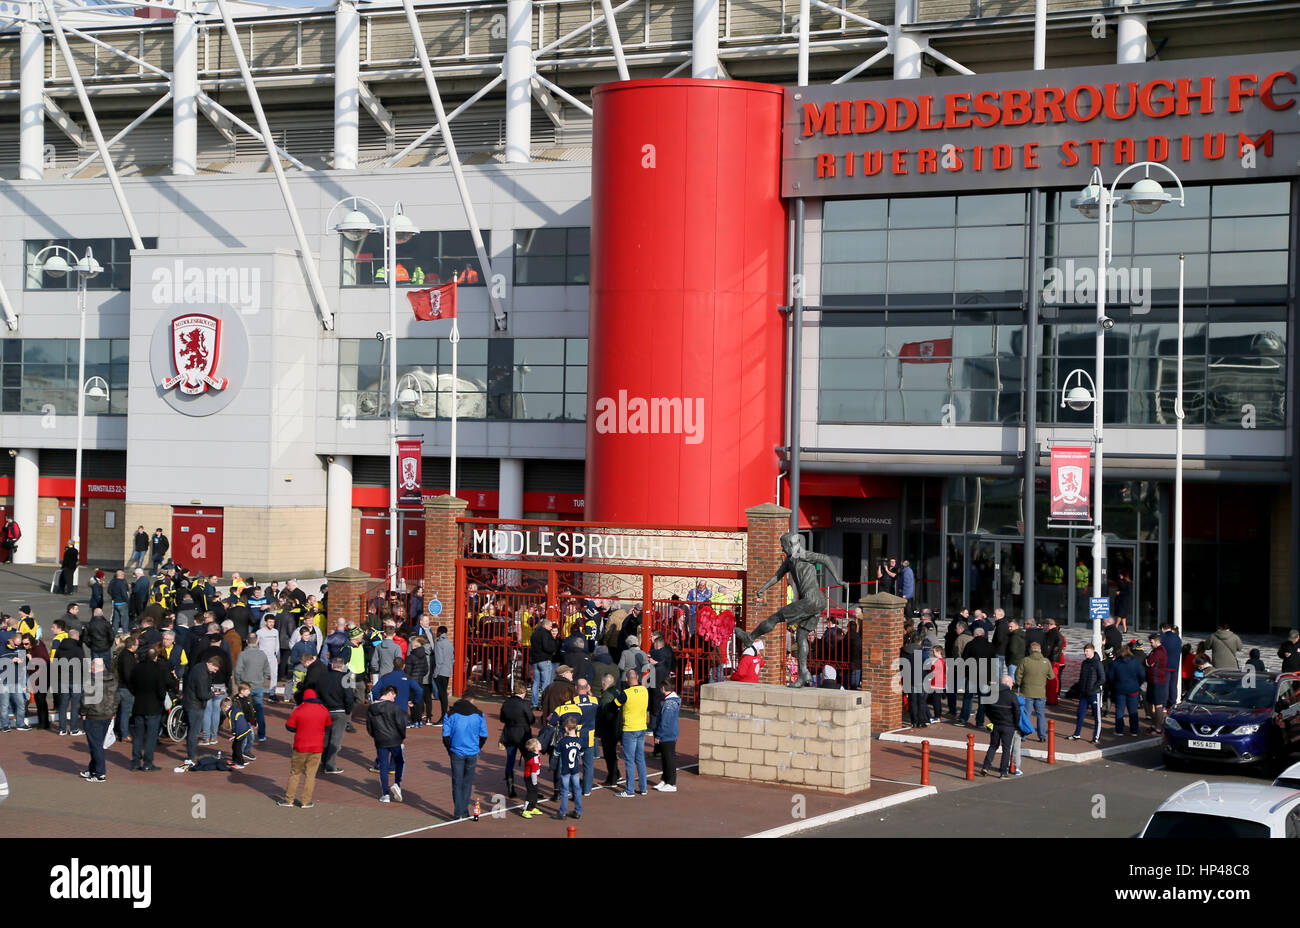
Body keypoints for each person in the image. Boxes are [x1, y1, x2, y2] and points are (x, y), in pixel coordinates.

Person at [275, 687, 331, 808]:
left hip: (300, 746)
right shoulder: (323, 710)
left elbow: (289, 726)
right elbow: (328, 726)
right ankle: (306, 801)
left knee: (295, 773)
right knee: (311, 775)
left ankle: (289, 799)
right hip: (317, 747)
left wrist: (300, 728)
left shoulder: (299, 709)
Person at [442, 697, 488, 820]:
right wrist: (477, 747)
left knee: (457, 782)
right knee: (467, 783)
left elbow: (445, 736)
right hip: (472, 751)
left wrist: (449, 749)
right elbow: (484, 735)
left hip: (456, 751)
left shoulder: (450, 714)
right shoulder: (479, 714)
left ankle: (458, 812)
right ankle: (464, 810)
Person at [129, 644, 170, 771]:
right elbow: (161, 691)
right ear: (155, 657)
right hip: (153, 707)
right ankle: (148, 762)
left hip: (139, 705)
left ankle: (135, 762)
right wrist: (161, 698)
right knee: (151, 737)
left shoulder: (137, 668)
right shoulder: (158, 670)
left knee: (138, 736)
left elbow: (131, 685)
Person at [78, 657, 120, 783]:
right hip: (107, 715)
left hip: (94, 715)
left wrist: (83, 713)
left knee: (95, 745)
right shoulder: (113, 679)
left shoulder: (91, 680)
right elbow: (116, 698)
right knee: (96, 744)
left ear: (92, 667)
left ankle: (100, 773)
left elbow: (86, 700)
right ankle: (92, 769)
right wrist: (113, 711)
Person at [179, 656, 221, 770]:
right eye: (215, 669)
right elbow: (202, 694)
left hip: (190, 702)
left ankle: (191, 755)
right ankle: (191, 756)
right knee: (194, 732)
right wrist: (213, 694)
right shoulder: (203, 674)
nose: (214, 672)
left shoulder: (198, 667)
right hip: (195, 705)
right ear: (211, 663)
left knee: (192, 731)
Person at [366, 684, 407, 803]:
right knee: (399, 762)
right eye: (393, 696)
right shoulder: (394, 707)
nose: (394, 699)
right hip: (395, 739)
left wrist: (375, 736)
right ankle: (397, 784)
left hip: (380, 740)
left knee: (383, 766)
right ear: (389, 693)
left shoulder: (372, 708)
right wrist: (402, 736)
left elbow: (369, 727)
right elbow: (401, 724)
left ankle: (385, 794)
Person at [613, 668, 649, 798]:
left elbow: (614, 705)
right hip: (642, 727)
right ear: (637, 677)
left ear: (627, 679)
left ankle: (630, 790)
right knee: (640, 758)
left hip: (629, 728)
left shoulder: (626, 693)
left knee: (629, 759)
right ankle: (643, 788)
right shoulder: (644, 690)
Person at [979, 674, 1018, 778]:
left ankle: (985, 767)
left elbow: (986, 708)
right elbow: (1017, 711)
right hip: (1008, 725)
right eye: (1011, 682)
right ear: (1007, 683)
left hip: (995, 724)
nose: (1012, 684)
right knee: (1006, 749)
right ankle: (1003, 772)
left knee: (993, 746)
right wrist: (1015, 724)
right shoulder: (1012, 695)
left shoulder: (993, 693)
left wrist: (992, 719)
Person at [1014, 642, 1054, 742]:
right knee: (1041, 714)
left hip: (1026, 692)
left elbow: (1018, 675)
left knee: (1026, 714)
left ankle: (1024, 735)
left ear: (1030, 650)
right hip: (1040, 692)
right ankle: (1042, 736)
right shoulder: (1046, 661)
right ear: (1040, 650)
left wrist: (1018, 685)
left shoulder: (1025, 661)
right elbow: (1051, 676)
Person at [235, 633, 271, 742]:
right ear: (257, 641)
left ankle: (245, 733)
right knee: (259, 711)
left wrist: (239, 684)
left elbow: (237, 671)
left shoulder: (243, 654)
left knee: (244, 711)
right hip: (258, 686)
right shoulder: (262, 654)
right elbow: (267, 671)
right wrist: (262, 681)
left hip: (246, 686)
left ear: (246, 641)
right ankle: (261, 735)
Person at [499, 682, 533, 798]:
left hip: (509, 734)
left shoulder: (506, 703)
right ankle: (531, 788)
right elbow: (531, 719)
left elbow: (502, 718)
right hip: (523, 735)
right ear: (523, 692)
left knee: (510, 761)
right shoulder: (524, 704)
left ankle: (510, 789)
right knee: (529, 761)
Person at [1068, 642, 1104, 743]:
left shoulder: (1098, 663)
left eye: (1087, 651)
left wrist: (1093, 688)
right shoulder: (1084, 663)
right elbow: (1081, 677)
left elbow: (1102, 679)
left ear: (1092, 651)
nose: (1085, 653)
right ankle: (1077, 734)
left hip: (1094, 693)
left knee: (1097, 716)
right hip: (1084, 694)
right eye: (1084, 651)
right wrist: (1079, 689)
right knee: (1080, 714)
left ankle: (1096, 737)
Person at [1108, 644, 1144, 737]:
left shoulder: (1115, 663)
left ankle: (1119, 730)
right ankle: (1134, 731)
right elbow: (1142, 675)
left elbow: (1110, 677)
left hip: (1119, 689)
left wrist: (1114, 685)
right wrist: (1138, 684)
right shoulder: (1135, 662)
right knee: (1133, 710)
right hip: (1133, 689)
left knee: (1120, 710)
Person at [553, 716, 584, 820]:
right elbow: (581, 753)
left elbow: (556, 753)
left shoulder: (562, 741)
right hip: (575, 769)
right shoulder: (580, 740)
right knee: (577, 789)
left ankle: (562, 813)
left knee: (565, 790)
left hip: (565, 769)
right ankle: (578, 811)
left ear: (566, 728)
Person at [653, 674, 680, 793]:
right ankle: (665, 779)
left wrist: (659, 735)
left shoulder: (669, 703)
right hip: (668, 733)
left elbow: (665, 721)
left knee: (669, 759)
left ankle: (671, 783)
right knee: (665, 758)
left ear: (664, 688)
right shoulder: (669, 700)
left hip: (667, 734)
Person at [596, 672, 623, 787]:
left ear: (603, 683)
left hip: (609, 729)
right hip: (616, 727)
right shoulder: (616, 691)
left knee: (609, 754)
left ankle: (612, 778)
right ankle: (616, 774)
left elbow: (607, 714)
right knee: (611, 753)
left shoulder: (607, 695)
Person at [530, 618, 558, 710]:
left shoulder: (534, 633)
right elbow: (547, 647)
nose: (551, 628)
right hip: (544, 659)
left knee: (536, 682)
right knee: (545, 683)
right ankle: (543, 704)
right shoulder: (546, 633)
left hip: (535, 660)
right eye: (550, 626)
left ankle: (534, 703)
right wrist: (553, 649)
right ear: (545, 625)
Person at [221, 695, 254, 769]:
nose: (224, 709)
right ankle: (235, 760)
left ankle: (241, 763)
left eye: (224, 708)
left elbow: (234, 725)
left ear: (227, 706)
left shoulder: (231, 713)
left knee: (237, 748)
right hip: (244, 730)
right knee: (234, 746)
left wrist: (235, 735)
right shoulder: (233, 709)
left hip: (241, 732)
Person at [432, 626, 453, 724]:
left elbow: (439, 661)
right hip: (447, 671)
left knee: (442, 695)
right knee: (443, 694)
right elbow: (452, 659)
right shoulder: (449, 643)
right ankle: (445, 715)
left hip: (440, 672)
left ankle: (444, 716)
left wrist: (435, 674)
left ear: (439, 632)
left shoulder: (439, 644)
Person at [520, 737, 544, 819]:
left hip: (532, 777)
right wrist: (534, 782)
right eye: (539, 744)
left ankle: (532, 808)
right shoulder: (534, 759)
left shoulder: (534, 755)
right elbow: (533, 772)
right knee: (531, 793)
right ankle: (525, 810)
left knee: (535, 792)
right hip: (530, 778)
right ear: (535, 748)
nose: (541, 744)